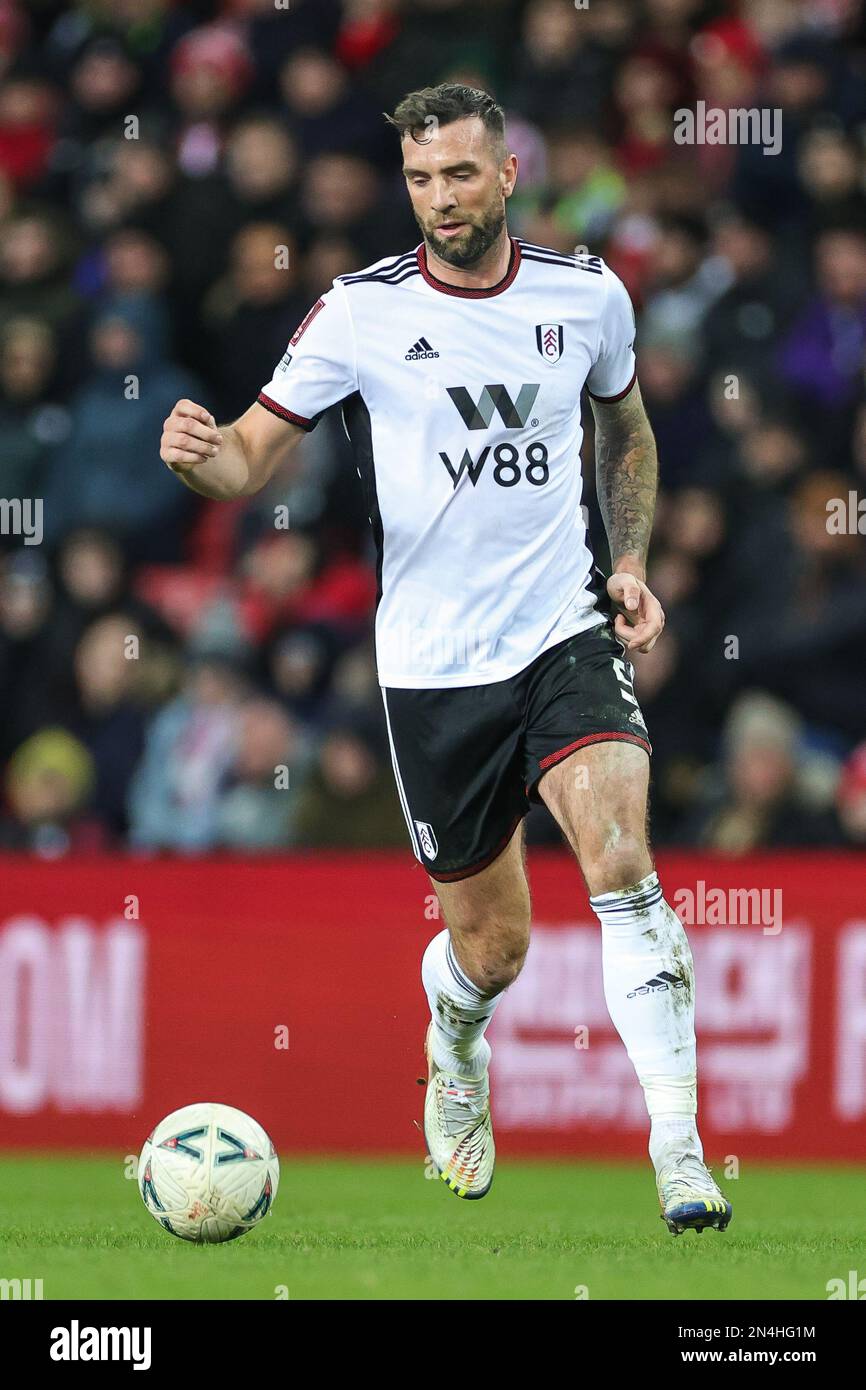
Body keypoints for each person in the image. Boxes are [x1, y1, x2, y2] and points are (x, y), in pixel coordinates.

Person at [159, 83, 730, 1236]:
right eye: (420, 180)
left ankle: (679, 1152)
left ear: (507, 173)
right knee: (492, 944)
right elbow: (251, 456)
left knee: (623, 863)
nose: (439, 200)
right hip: (431, 664)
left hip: (563, 629)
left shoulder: (586, 296)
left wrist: (625, 561)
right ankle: (454, 1039)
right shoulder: (359, 312)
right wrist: (201, 456)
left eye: (459, 176)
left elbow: (622, 427)